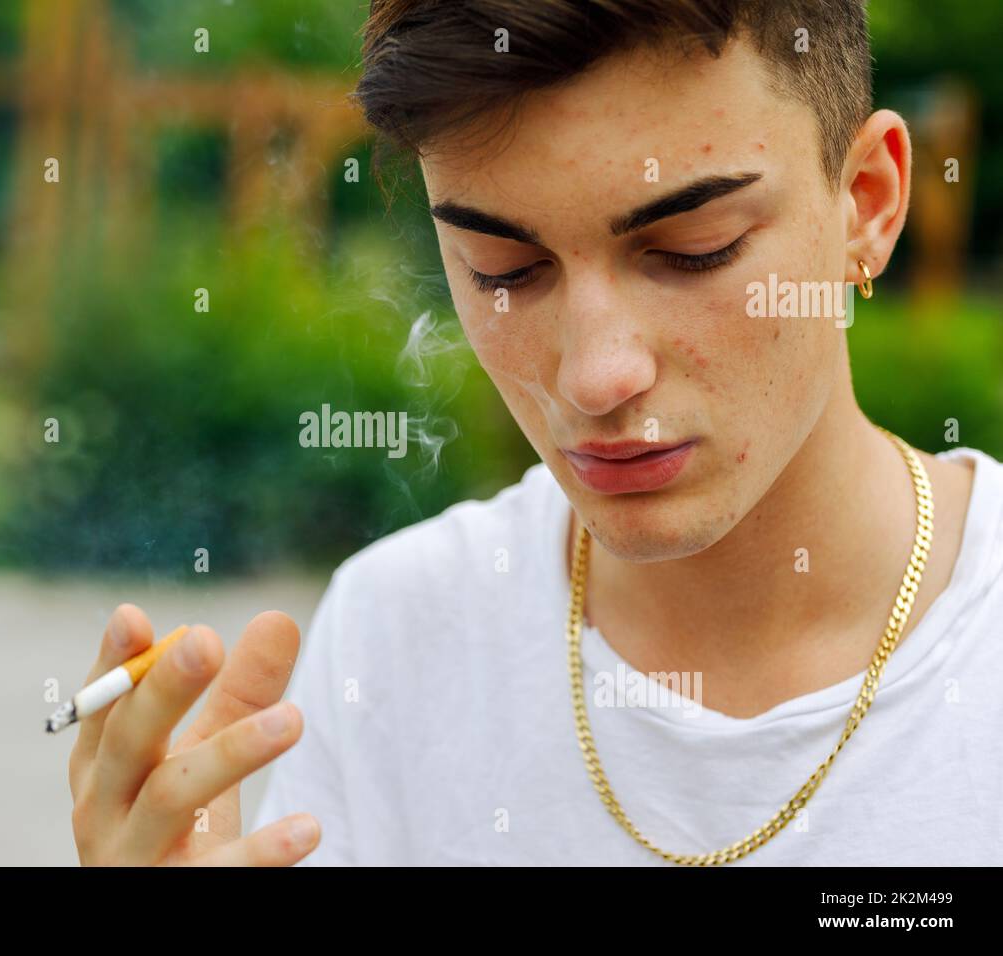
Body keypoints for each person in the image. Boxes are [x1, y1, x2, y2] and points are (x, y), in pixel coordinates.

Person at [67, 0, 1003, 865]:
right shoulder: (398, 636)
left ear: (868, 202)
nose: (594, 378)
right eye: (503, 268)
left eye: (691, 250)